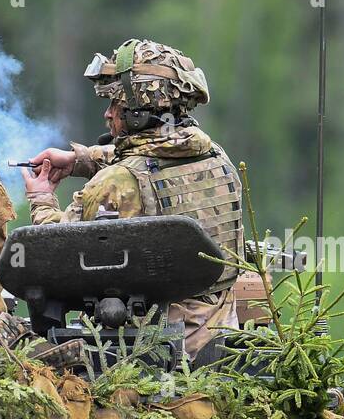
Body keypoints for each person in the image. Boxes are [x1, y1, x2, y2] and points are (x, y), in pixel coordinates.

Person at [20, 39, 245, 358]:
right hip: (218, 342)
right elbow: (152, 158)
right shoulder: (214, 157)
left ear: (139, 116)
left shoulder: (114, 183)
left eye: (117, 106)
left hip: (146, 355)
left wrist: (42, 199)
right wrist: (80, 159)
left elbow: (53, 256)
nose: (107, 115)